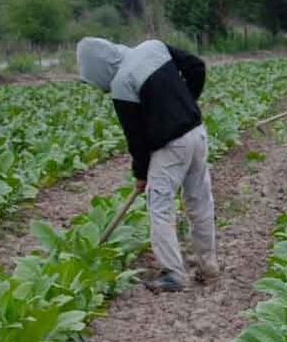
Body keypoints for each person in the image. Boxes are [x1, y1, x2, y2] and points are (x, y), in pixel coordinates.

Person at [75, 37, 215, 294]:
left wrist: (141, 174)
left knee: (159, 207)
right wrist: (187, 102)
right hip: (197, 132)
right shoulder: (154, 47)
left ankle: (174, 274)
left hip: (171, 147)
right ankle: (208, 264)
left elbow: (136, 138)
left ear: (98, 67)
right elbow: (197, 66)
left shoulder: (121, 84)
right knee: (200, 200)